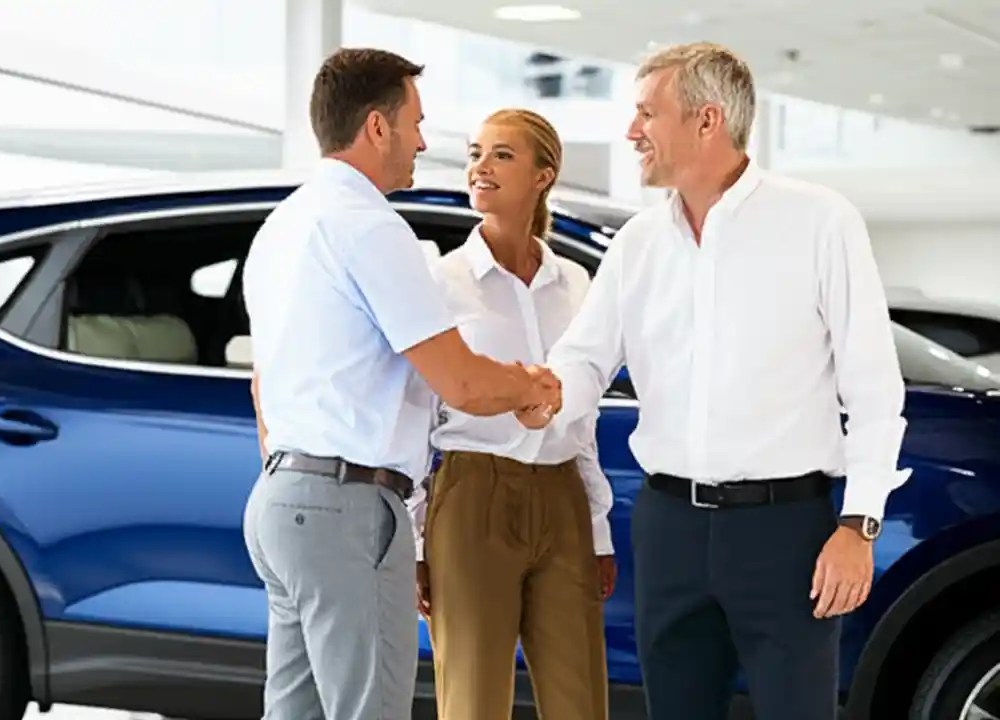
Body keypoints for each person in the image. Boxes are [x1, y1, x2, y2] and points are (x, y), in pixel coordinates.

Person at [526, 42, 910, 720]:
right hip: (669, 527)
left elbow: (874, 385)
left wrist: (860, 524)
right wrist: (540, 396)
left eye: (648, 113)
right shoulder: (639, 243)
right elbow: (583, 359)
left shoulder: (820, 221)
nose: (631, 131)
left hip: (787, 531)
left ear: (708, 121)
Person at [241, 48, 562, 720]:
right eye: (415, 122)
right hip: (346, 508)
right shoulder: (369, 228)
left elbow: (262, 389)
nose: (423, 140)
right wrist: (532, 385)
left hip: (282, 499)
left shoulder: (282, 226)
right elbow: (461, 381)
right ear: (377, 127)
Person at [407, 108, 615, 720]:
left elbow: (585, 414)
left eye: (501, 155)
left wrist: (597, 529)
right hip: (472, 496)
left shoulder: (576, 283)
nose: (480, 166)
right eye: (475, 153)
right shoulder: (441, 282)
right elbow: (420, 414)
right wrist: (421, 540)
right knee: (472, 703)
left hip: (562, 498)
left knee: (582, 703)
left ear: (543, 175)